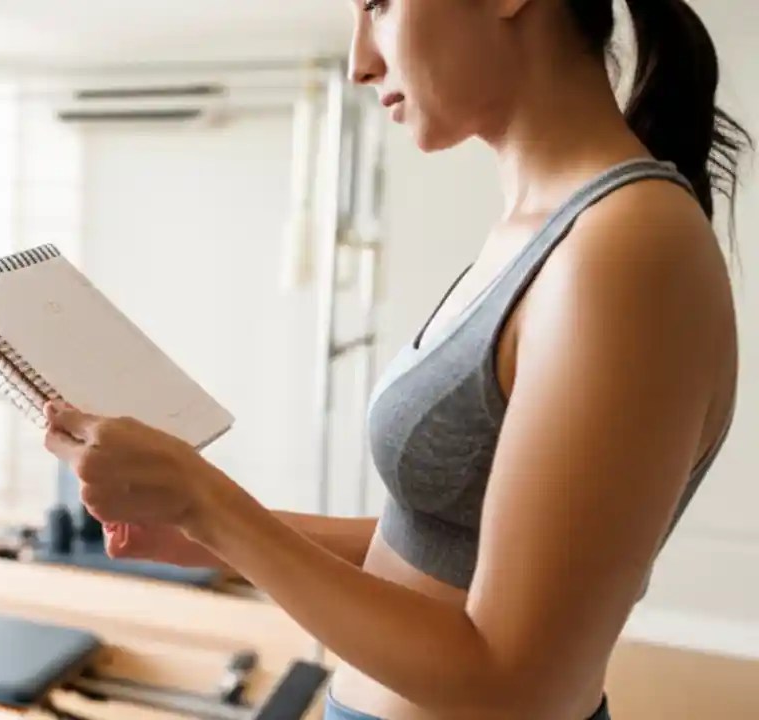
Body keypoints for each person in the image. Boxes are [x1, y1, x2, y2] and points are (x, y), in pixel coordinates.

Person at [42, 1, 752, 718]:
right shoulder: (541, 233)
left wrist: (208, 502)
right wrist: (204, 531)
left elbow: (520, 681)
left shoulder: (626, 246)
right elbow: (434, 551)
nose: (359, 61)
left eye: (378, 5)